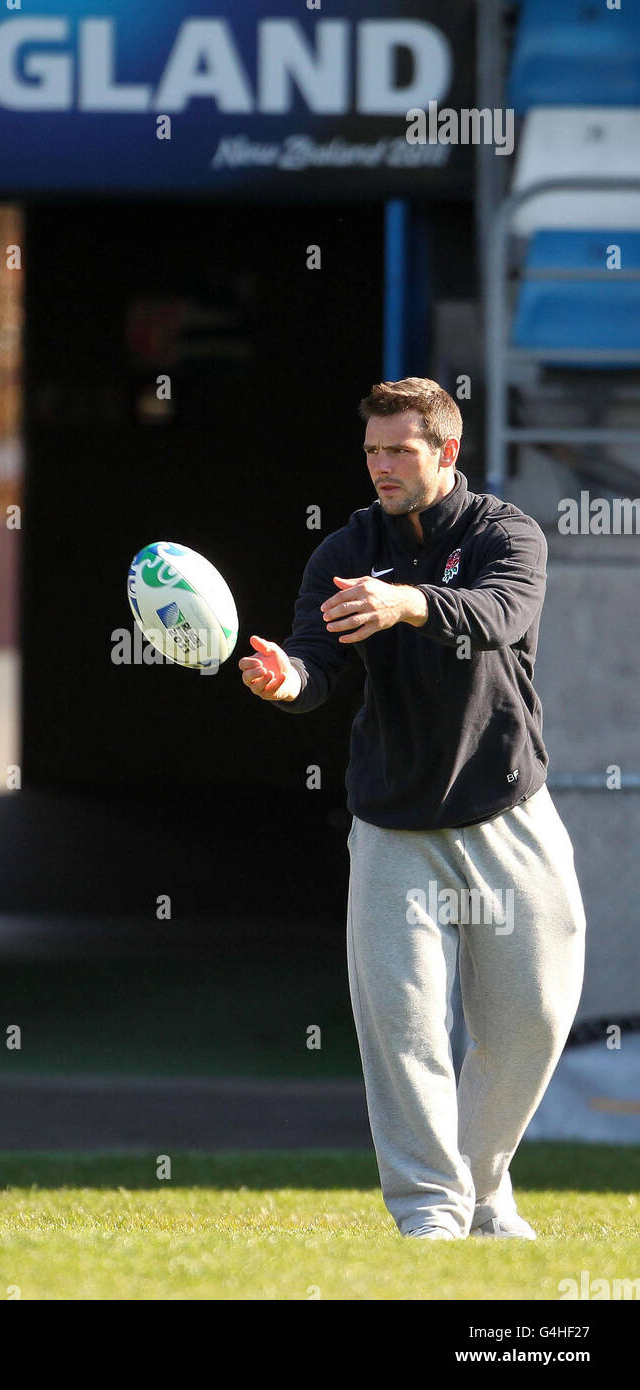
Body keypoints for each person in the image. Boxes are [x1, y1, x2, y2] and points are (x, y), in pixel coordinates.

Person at [240, 377, 586, 1240]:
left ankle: (481, 1188)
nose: (382, 466)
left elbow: (500, 616)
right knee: (403, 1031)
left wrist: (409, 602)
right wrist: (288, 681)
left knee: (534, 1020)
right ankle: (429, 1215)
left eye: (399, 449)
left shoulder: (506, 532)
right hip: (393, 824)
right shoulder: (344, 550)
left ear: (446, 451)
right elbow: (317, 661)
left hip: (508, 808)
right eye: (371, 452)